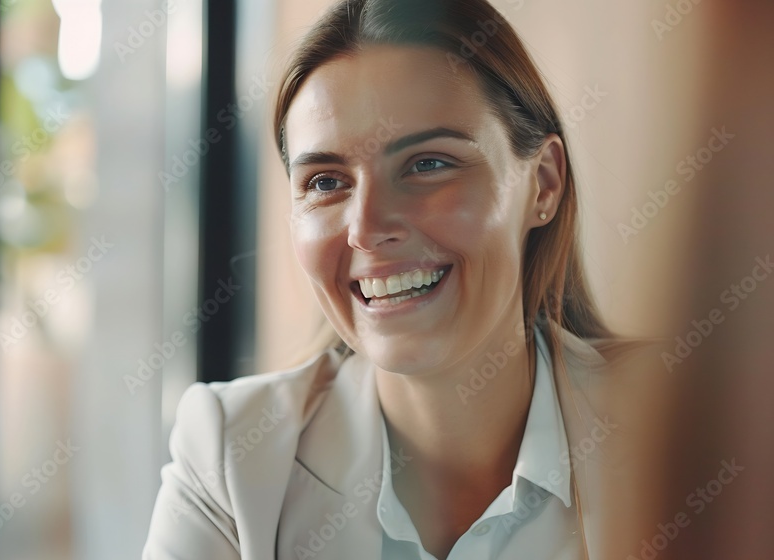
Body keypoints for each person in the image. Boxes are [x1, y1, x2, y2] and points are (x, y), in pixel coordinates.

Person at [144, 0, 662, 558]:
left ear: (543, 184)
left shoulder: (689, 429)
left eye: (427, 164)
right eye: (325, 181)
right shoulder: (229, 457)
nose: (365, 229)